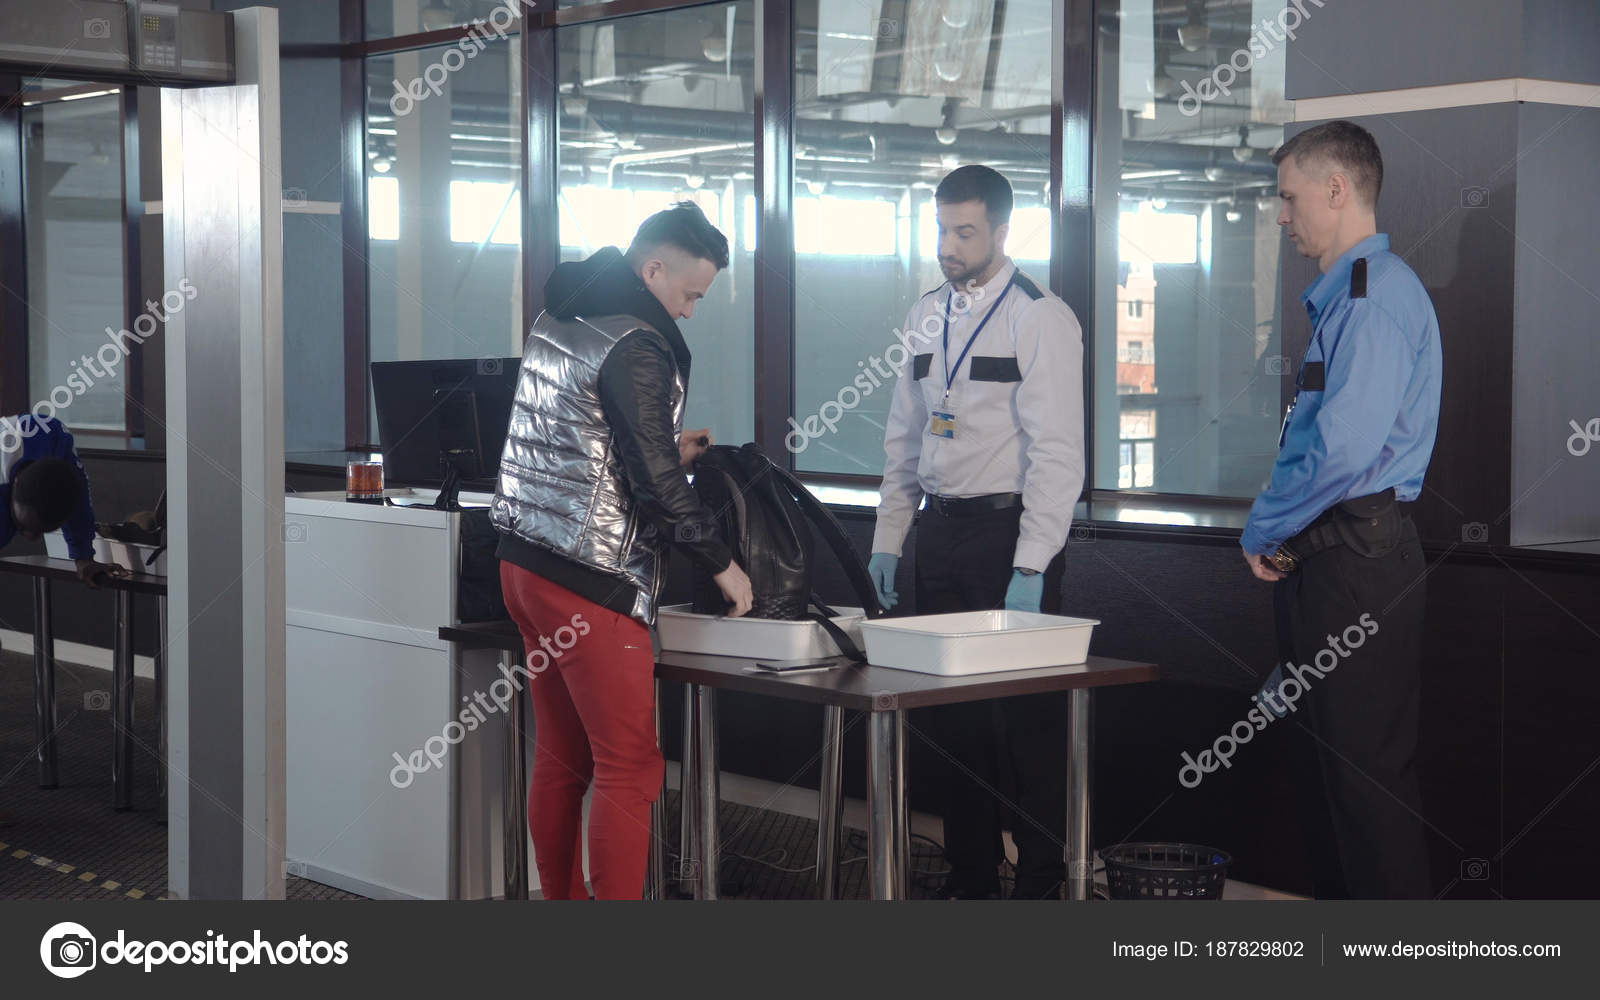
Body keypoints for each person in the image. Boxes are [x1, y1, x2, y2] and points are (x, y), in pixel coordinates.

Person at [492, 202, 753, 900]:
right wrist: (721, 562)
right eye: (689, 294)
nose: (691, 312)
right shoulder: (639, 340)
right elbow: (656, 484)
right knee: (630, 767)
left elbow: (579, 433)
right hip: (592, 578)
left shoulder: (563, 314)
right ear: (653, 267)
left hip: (524, 560)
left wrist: (666, 446)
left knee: (564, 758)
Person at [868, 165, 1085, 899]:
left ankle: (1043, 879)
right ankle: (970, 875)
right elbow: (904, 436)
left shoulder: (1039, 315)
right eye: (941, 230)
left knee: (1026, 723)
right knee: (952, 720)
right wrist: (889, 539)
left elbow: (1058, 453)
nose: (949, 245)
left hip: (1010, 537)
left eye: (964, 232)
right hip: (941, 533)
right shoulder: (926, 313)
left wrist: (1033, 564)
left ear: (999, 231)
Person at [1242, 120, 1441, 899]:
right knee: (1335, 782)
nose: (1283, 217)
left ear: (1337, 188)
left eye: (1290, 199)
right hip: (1331, 559)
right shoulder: (1347, 298)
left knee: (1366, 787)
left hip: (1357, 562)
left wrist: (1265, 523)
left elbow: (1345, 450)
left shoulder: (1373, 297)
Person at [1, 413, 126, 587]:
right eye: (22, 525)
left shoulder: (50, 434)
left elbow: (80, 498)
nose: (33, 538)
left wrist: (84, 557)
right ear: (14, 486)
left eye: (43, 530)